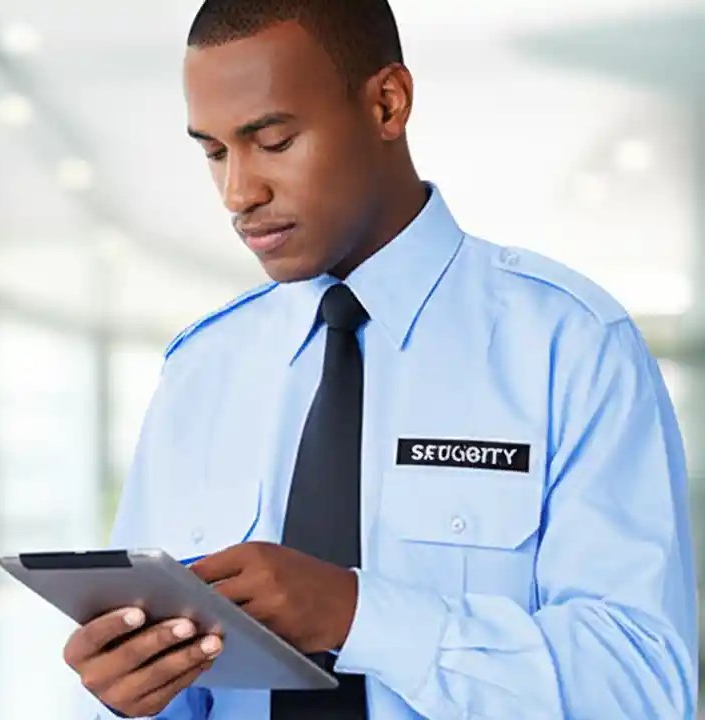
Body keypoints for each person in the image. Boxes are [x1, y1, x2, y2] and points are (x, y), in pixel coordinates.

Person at [62, 0, 699, 718]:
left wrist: (359, 615)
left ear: (388, 103)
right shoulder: (200, 372)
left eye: (273, 140)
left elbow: (643, 688)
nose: (240, 192)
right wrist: (126, 695)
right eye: (214, 152)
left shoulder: (573, 347)